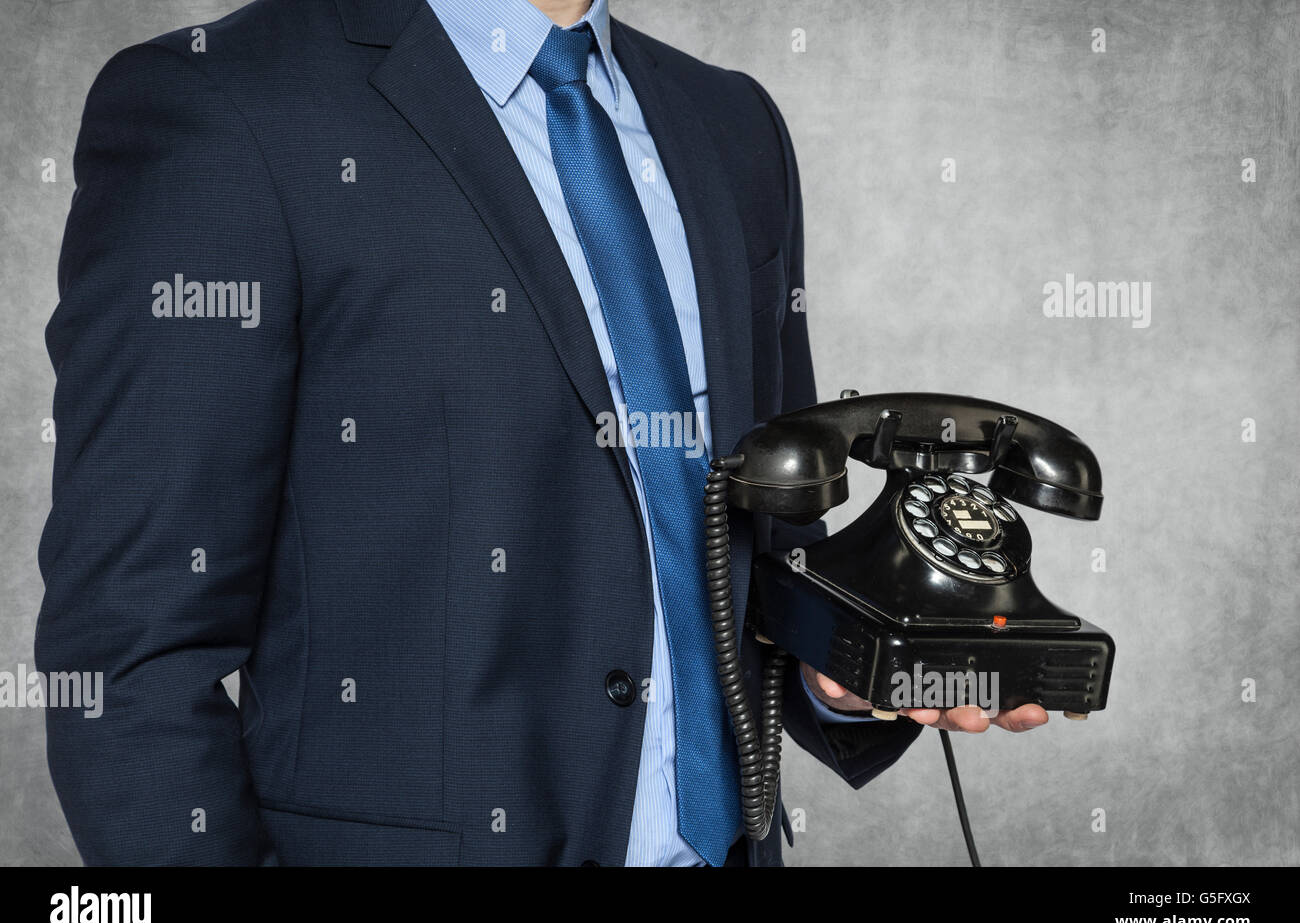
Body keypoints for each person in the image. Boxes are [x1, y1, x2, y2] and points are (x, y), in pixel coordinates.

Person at [36, 0, 1046, 867]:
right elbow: (130, 657)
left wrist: (846, 667)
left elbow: (753, 546)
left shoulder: (730, 126)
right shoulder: (223, 106)